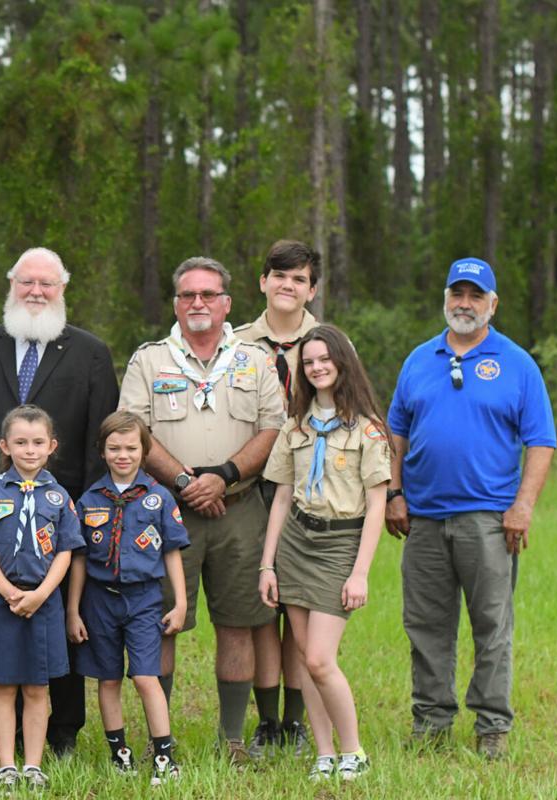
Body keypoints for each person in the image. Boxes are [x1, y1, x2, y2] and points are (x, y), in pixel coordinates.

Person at [0, 246, 118, 755]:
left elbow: (100, 437)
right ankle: (13, 734)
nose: (36, 291)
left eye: (47, 283)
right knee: (6, 616)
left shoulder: (91, 353)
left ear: (62, 288)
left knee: (61, 619)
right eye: (27, 282)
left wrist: (90, 508)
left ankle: (61, 730)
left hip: (64, 515)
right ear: (12, 285)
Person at [386, 258, 556, 760]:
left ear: (492, 304)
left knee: (492, 627)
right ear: (445, 298)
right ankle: (431, 722)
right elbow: (396, 432)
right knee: (426, 626)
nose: (464, 304)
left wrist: (523, 506)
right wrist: (394, 493)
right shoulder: (420, 359)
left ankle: (492, 727)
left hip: (490, 520)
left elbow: (541, 441)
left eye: (475, 295)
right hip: (423, 518)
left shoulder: (517, 363)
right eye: (457, 294)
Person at [119, 256, 286, 763]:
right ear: (175, 304)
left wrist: (224, 476)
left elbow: (273, 429)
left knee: (238, 622)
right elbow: (133, 432)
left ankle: (231, 738)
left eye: (208, 294)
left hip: (239, 507)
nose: (198, 303)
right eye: (188, 295)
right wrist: (187, 482)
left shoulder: (255, 360)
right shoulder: (149, 361)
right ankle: (160, 740)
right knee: (163, 622)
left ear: (227, 303)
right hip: (166, 512)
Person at [258, 325, 390, 781]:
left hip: (339, 544)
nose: (316, 368)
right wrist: (267, 564)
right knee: (303, 659)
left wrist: (360, 573)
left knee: (318, 658)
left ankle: (353, 751)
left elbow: (376, 506)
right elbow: (281, 496)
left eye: (324, 360)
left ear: (342, 363)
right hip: (297, 542)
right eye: (309, 362)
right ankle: (324, 752)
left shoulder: (368, 430)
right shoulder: (296, 426)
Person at [0, 405, 84, 791]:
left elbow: (66, 550)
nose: (30, 450)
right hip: (2, 602)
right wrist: (8, 590)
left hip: (44, 604)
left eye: (37, 442)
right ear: (5, 446)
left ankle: (32, 764)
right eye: (21, 442)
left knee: (36, 687)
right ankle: (6, 765)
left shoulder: (59, 498)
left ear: (51, 446)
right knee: (4, 686)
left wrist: (42, 594)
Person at [66, 411, 189, 786]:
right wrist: (73, 610)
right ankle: (120, 754)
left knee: (146, 677)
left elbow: (172, 551)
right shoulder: (90, 500)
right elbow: (80, 559)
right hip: (99, 600)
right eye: (115, 448)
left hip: (144, 599)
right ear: (102, 451)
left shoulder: (158, 497)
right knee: (107, 679)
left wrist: (180, 603)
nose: (123, 455)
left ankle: (164, 757)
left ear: (144, 451)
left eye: (131, 448)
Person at [233, 239, 321, 757]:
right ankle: (267, 722)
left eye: (299, 278)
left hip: (310, 489)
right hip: (252, 486)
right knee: (262, 607)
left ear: (312, 289)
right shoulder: (236, 343)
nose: (288, 285)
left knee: (300, 606)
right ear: (263, 281)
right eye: (279, 275)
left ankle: (295, 721)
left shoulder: (329, 343)